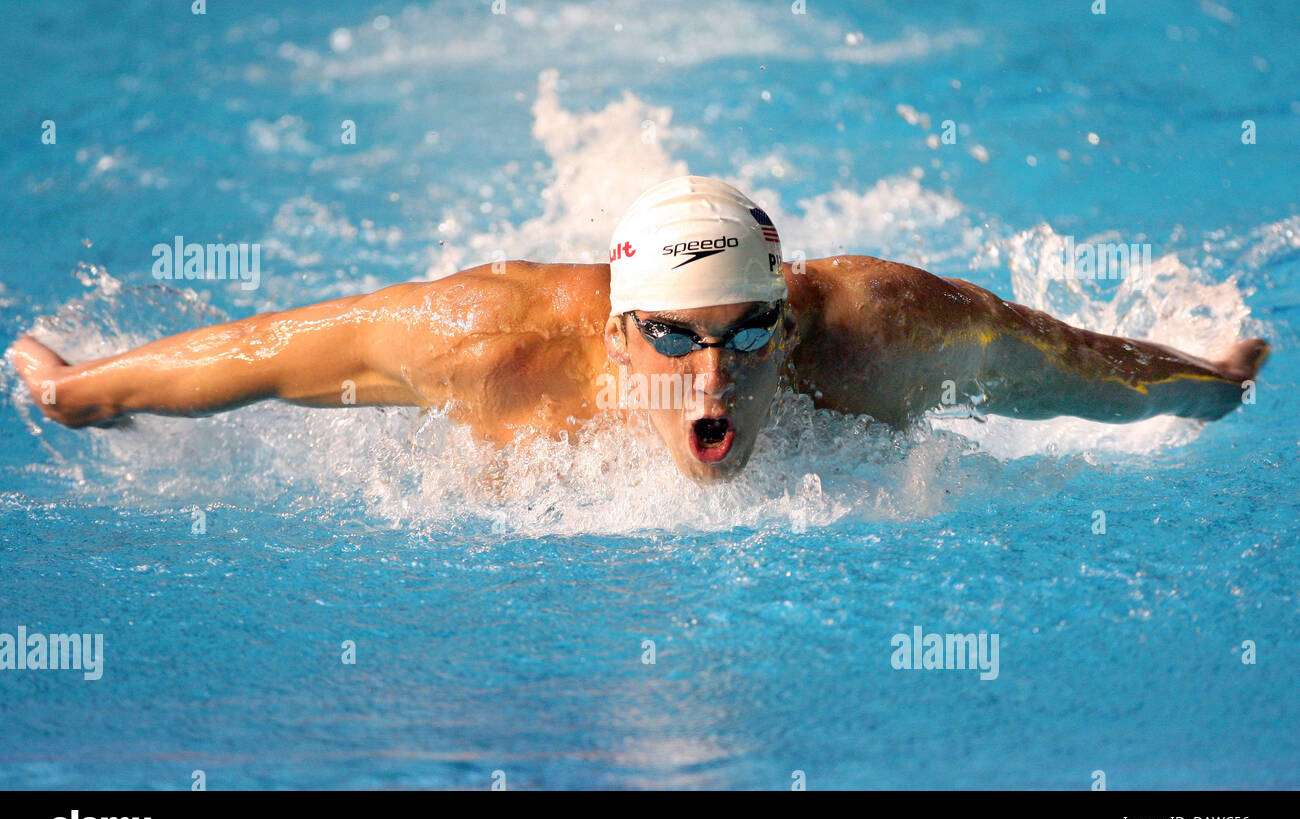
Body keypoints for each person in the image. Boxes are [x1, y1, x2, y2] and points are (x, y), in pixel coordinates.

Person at [8, 176, 1268, 484]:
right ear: (616, 335)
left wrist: (1203, 381)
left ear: (792, 316)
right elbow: (262, 354)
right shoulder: (489, 339)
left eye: (745, 334)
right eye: (669, 338)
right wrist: (74, 389)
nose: (712, 369)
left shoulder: (881, 329)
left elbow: (1069, 365)